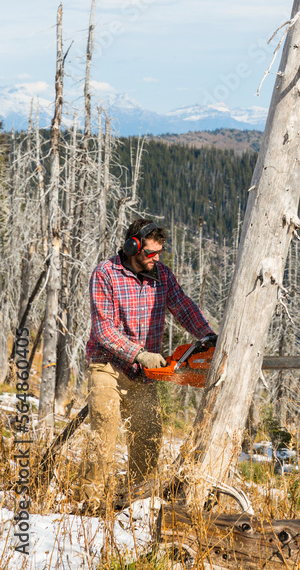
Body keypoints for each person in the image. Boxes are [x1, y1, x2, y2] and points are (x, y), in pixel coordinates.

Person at [80, 217, 216, 509]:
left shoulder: (162, 276)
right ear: (132, 247)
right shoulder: (106, 274)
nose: (156, 258)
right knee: (104, 430)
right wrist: (139, 353)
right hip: (109, 366)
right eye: (150, 253)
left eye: (159, 252)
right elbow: (104, 330)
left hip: (145, 373)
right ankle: (92, 507)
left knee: (148, 439)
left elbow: (183, 307)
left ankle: (133, 503)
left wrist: (207, 334)